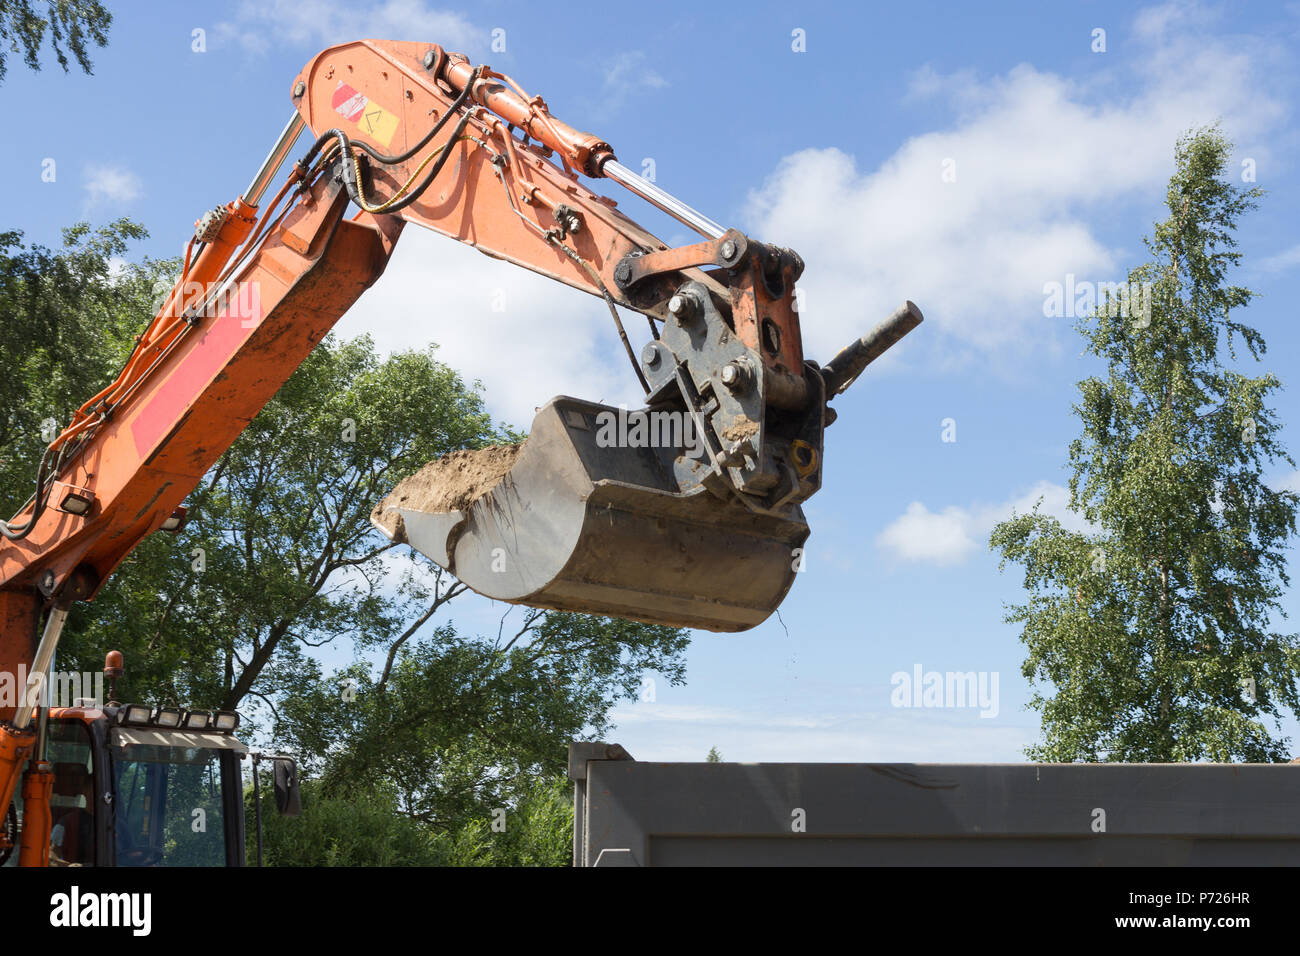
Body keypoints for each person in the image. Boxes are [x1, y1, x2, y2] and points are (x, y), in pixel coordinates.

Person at [50, 768, 95, 866]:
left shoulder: (119, 825)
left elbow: (130, 854)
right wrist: (62, 864)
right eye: (94, 789)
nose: (100, 794)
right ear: (84, 791)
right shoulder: (67, 822)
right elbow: (51, 853)